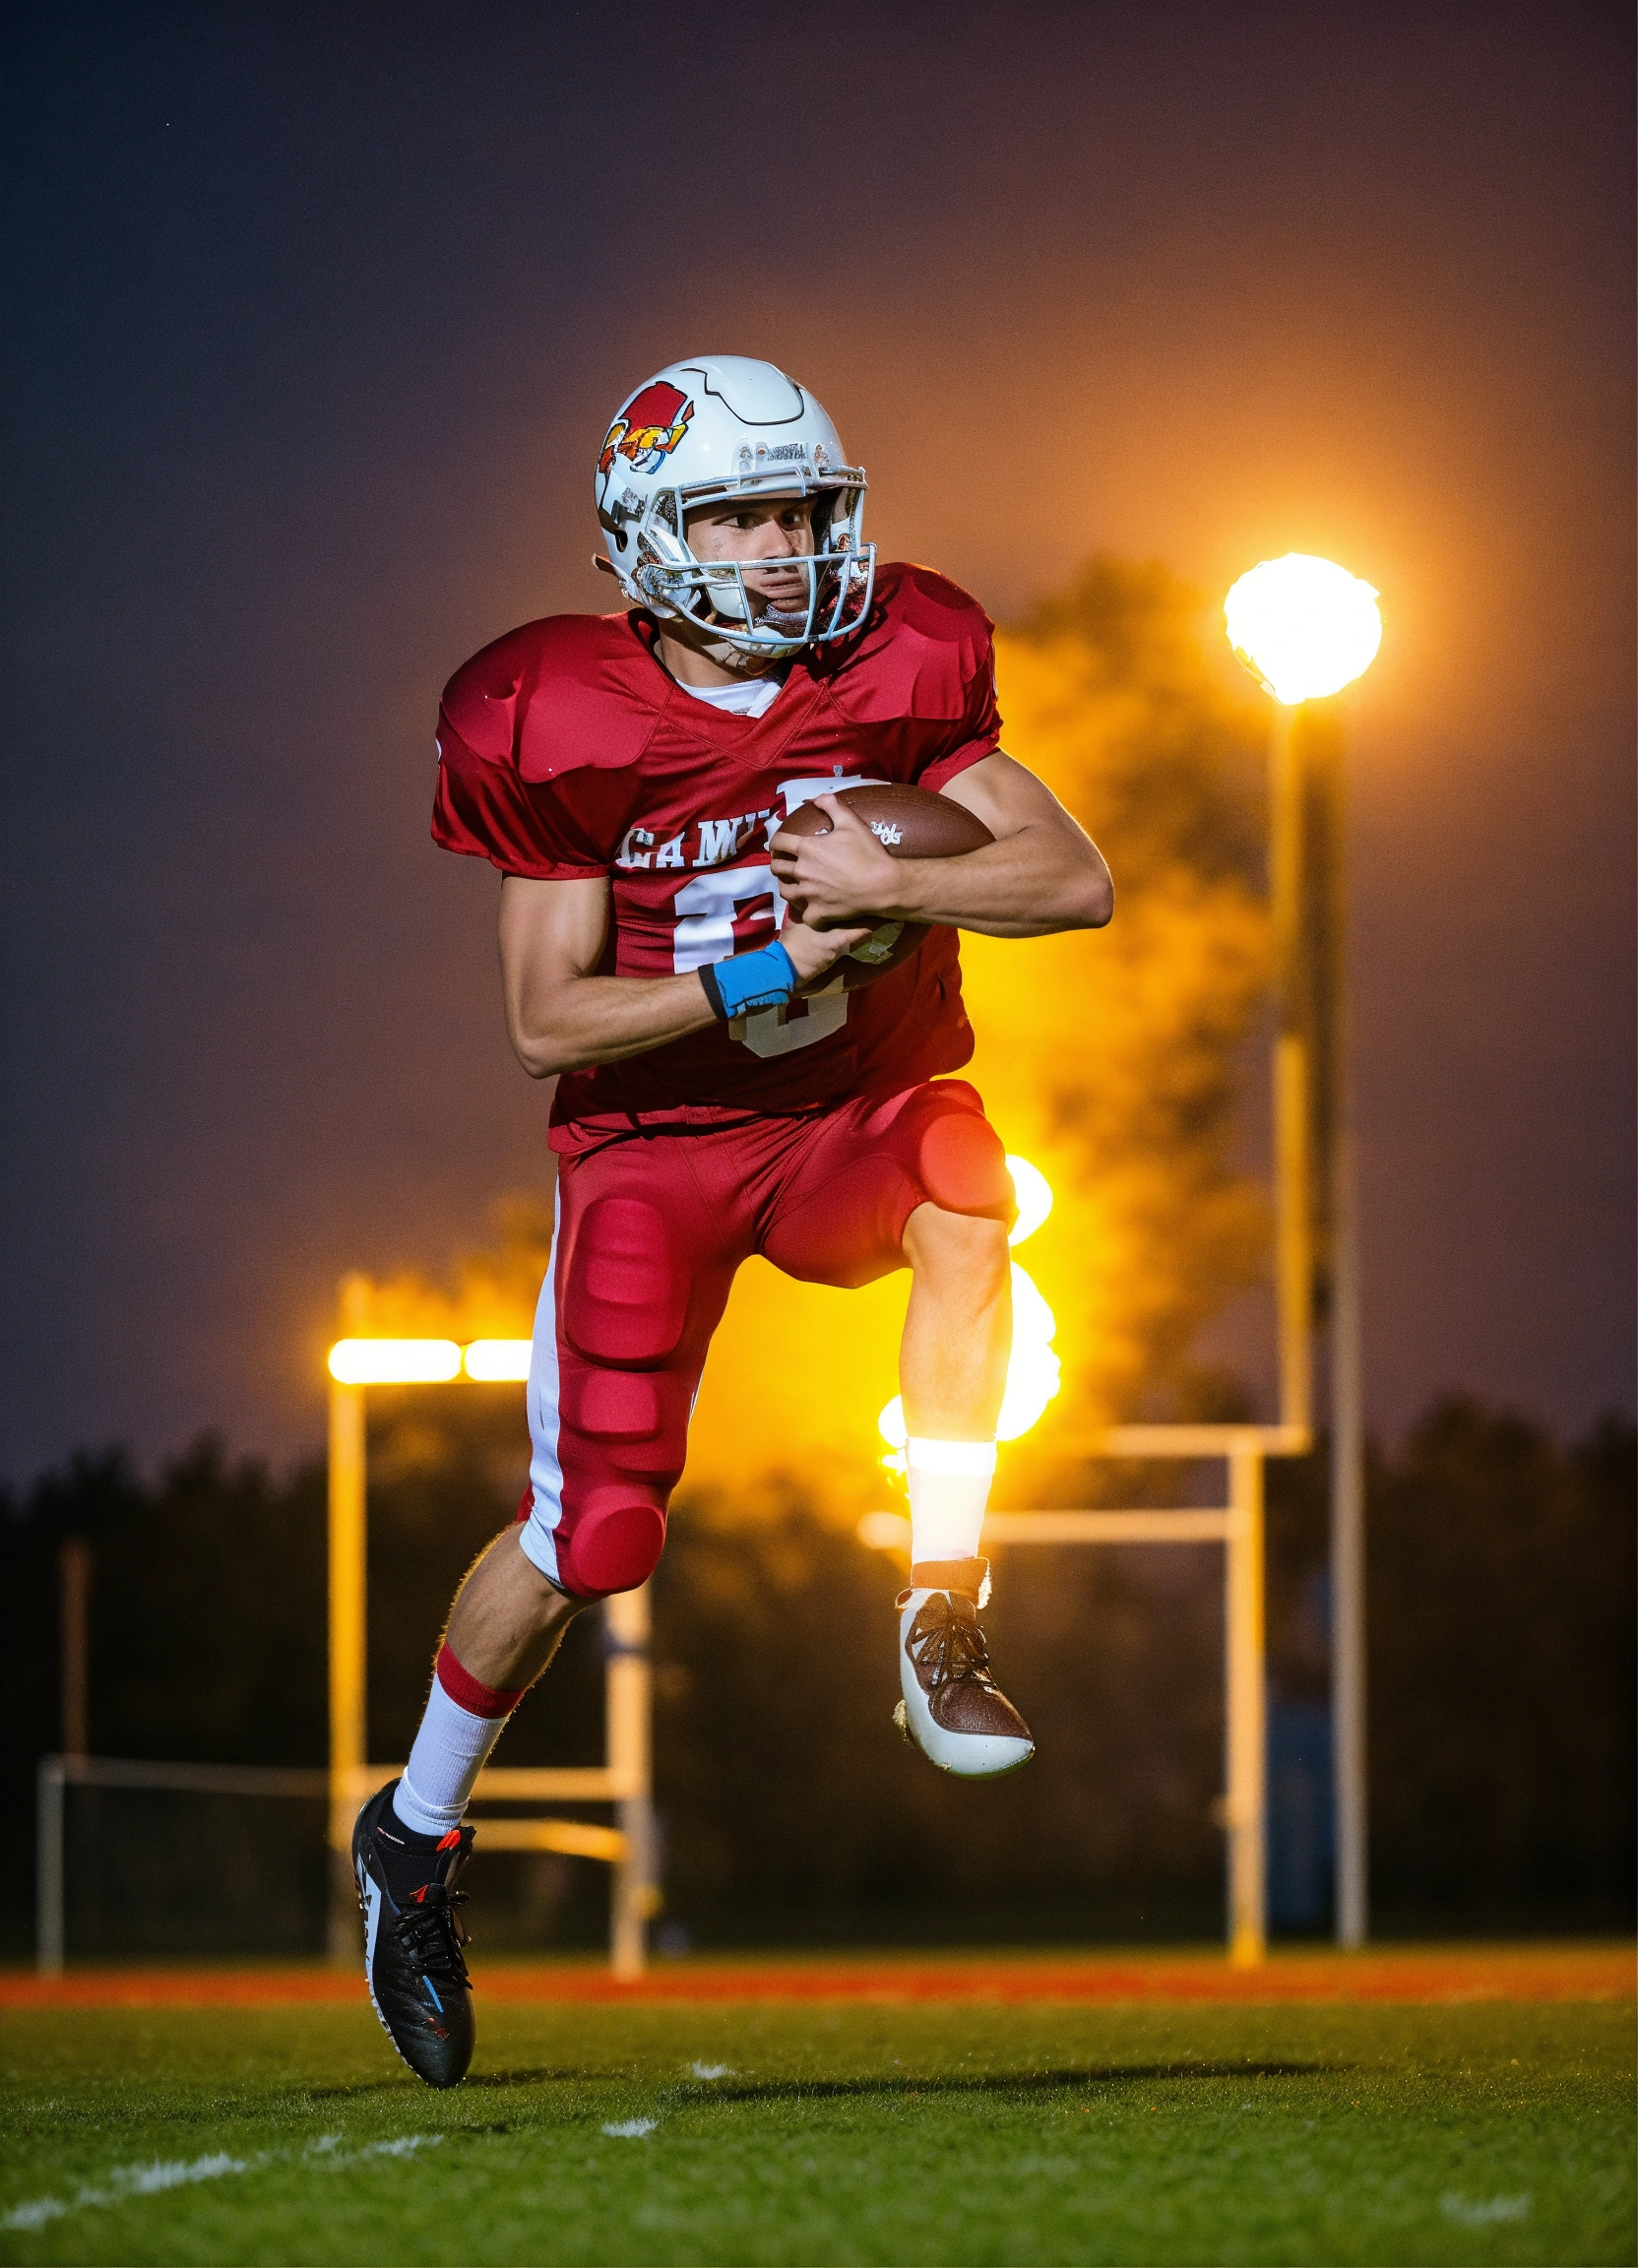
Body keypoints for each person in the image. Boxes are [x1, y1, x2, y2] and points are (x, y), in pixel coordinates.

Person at [352, 355, 1113, 2085]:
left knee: (967, 1195)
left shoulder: (907, 658)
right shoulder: (553, 711)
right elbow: (548, 1022)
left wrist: (900, 885)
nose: (780, 550)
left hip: (853, 1116)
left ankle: (940, 1603)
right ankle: (414, 1835)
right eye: (739, 515)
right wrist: (776, 952)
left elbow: (1073, 878)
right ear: (646, 538)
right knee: (593, 1541)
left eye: (802, 511)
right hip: (657, 1152)